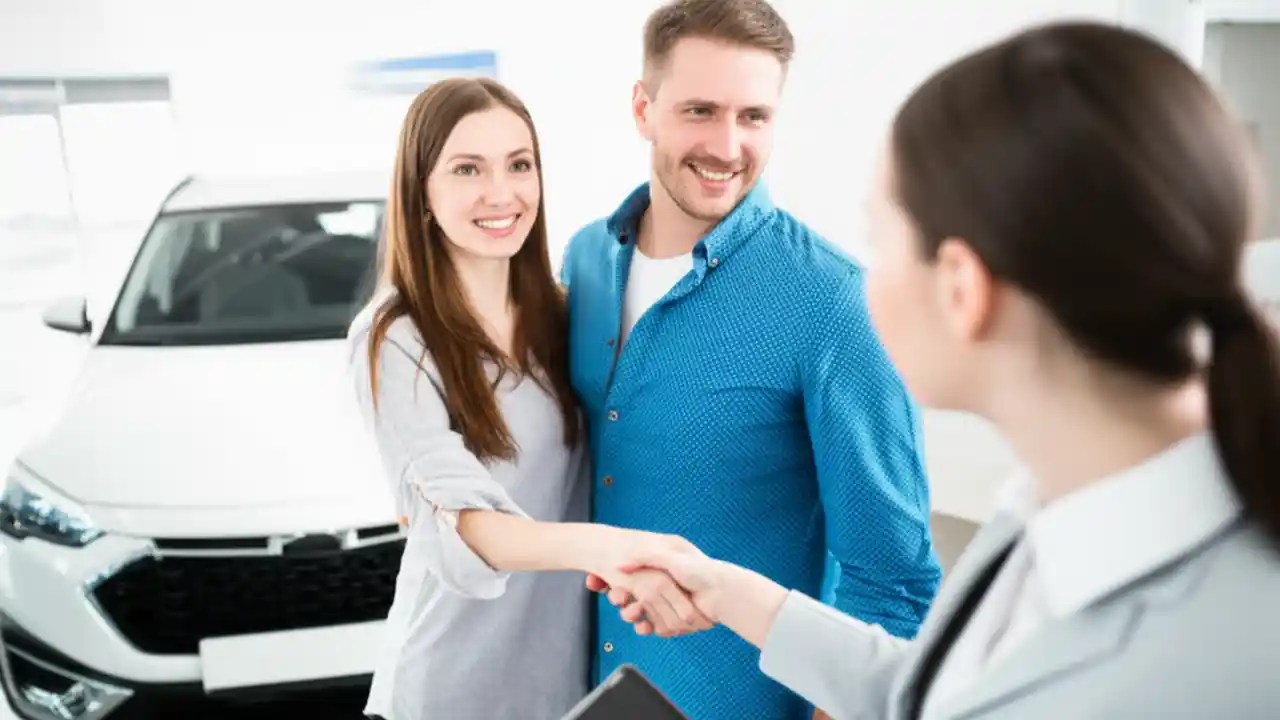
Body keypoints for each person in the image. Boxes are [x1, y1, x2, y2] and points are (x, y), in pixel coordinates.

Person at [606, 20, 1280, 719]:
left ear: (962, 287)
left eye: (883, 238)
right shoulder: (1046, 510)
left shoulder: (1228, 659)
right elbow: (938, 693)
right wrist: (735, 595)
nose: (864, 276)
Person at [559, 0, 942, 717]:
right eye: (700, 111)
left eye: (754, 116)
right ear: (643, 109)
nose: (727, 146)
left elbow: (894, 583)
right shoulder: (583, 261)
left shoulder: (834, 303)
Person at [346, 77, 709, 720]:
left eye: (519, 165)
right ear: (421, 191)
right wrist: (612, 550)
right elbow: (467, 525)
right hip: (447, 687)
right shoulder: (395, 337)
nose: (501, 193)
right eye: (468, 169)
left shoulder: (565, 315)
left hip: (558, 684)